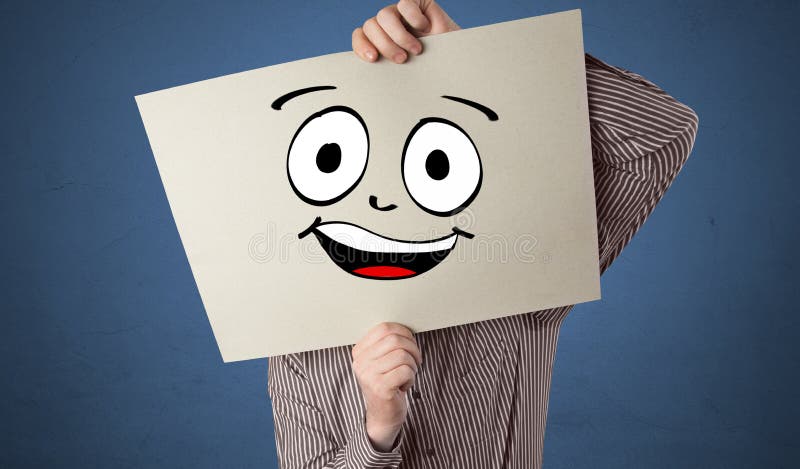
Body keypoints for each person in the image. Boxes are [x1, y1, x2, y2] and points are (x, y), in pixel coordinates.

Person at [268, 1, 699, 467]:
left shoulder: (524, 279)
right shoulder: (296, 333)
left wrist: (481, 60)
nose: (383, 200)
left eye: (434, 167)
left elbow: (659, 136)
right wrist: (378, 430)